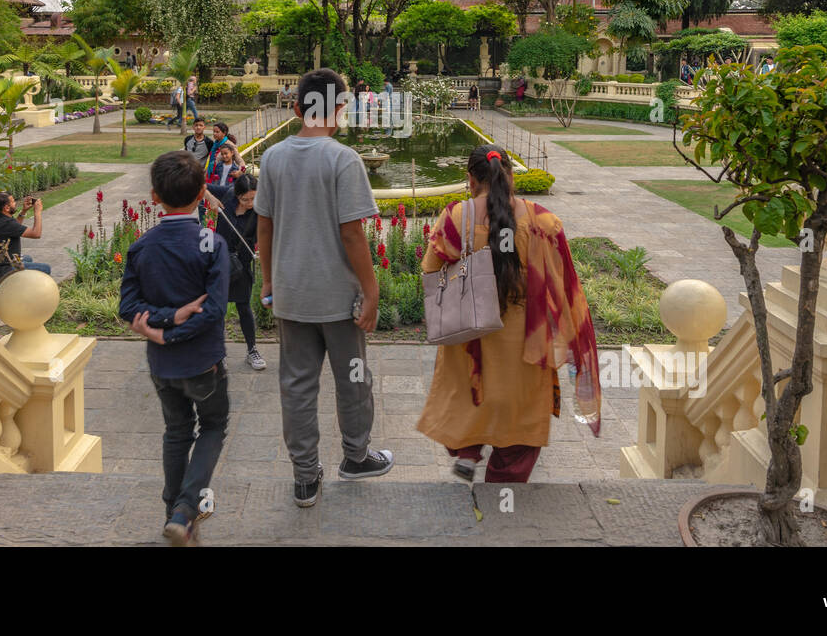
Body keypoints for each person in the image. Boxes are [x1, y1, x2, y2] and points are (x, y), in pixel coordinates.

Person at [416, 146, 601, 483]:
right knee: (519, 422)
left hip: (470, 336)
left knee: (467, 398)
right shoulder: (543, 221)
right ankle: (504, 493)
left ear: (471, 180)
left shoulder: (457, 217)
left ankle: (469, 453)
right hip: (524, 342)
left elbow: (430, 268)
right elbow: (562, 284)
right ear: (511, 177)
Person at [256, 68, 394, 508]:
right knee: (353, 380)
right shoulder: (343, 159)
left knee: (297, 386)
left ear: (297, 108)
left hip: (292, 297)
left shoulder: (273, 157)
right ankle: (355, 457)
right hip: (338, 301)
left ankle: (304, 479)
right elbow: (352, 235)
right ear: (340, 109)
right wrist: (371, 293)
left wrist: (269, 280)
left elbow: (264, 225)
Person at [119, 150, 230, 546]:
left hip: (162, 365)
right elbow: (214, 310)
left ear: (153, 196)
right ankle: (185, 510)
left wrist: (162, 325)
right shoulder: (211, 243)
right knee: (213, 426)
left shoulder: (143, 246)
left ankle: (173, 511)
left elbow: (128, 308)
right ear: (204, 192)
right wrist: (174, 325)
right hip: (202, 361)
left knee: (177, 432)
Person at [206, 173, 266, 371]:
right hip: (221, 261)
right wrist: (210, 197)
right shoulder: (226, 195)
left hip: (242, 264)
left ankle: (252, 350)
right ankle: (219, 353)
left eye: (253, 198)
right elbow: (197, 184)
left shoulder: (260, 210)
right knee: (219, 309)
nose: (250, 203)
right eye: (245, 199)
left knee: (244, 306)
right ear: (236, 195)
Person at [0, 192, 48, 282]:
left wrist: (24, 211)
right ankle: (1, 281)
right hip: (5, 268)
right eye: (13, 202)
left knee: (27, 258)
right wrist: (37, 212)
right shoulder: (6, 223)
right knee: (46, 269)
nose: (16, 203)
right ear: (6, 208)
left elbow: (15, 227)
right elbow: (36, 234)